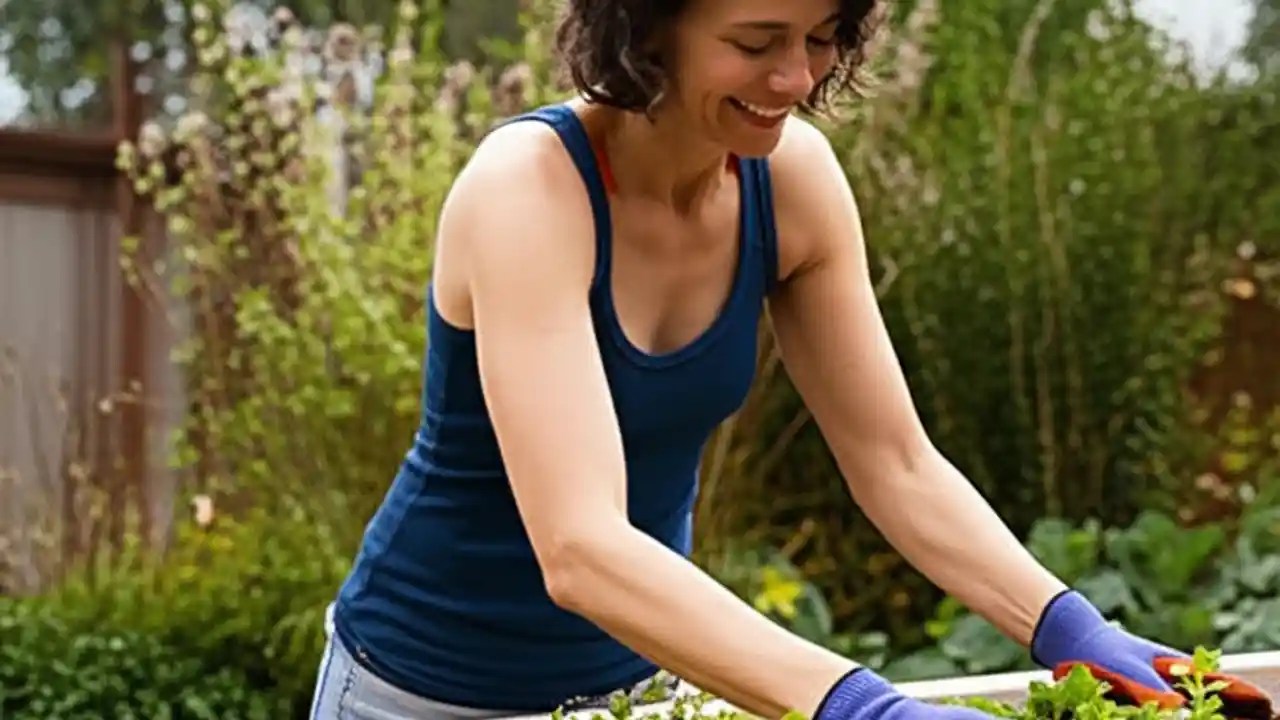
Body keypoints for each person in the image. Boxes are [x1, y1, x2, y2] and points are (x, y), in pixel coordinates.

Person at [309, 0, 1277, 718]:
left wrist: (1070, 627)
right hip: (419, 692)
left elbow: (893, 464)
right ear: (646, 29)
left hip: (624, 691)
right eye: (754, 42)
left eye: (818, 38)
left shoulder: (791, 181)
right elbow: (581, 550)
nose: (796, 78)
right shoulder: (528, 193)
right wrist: (860, 707)